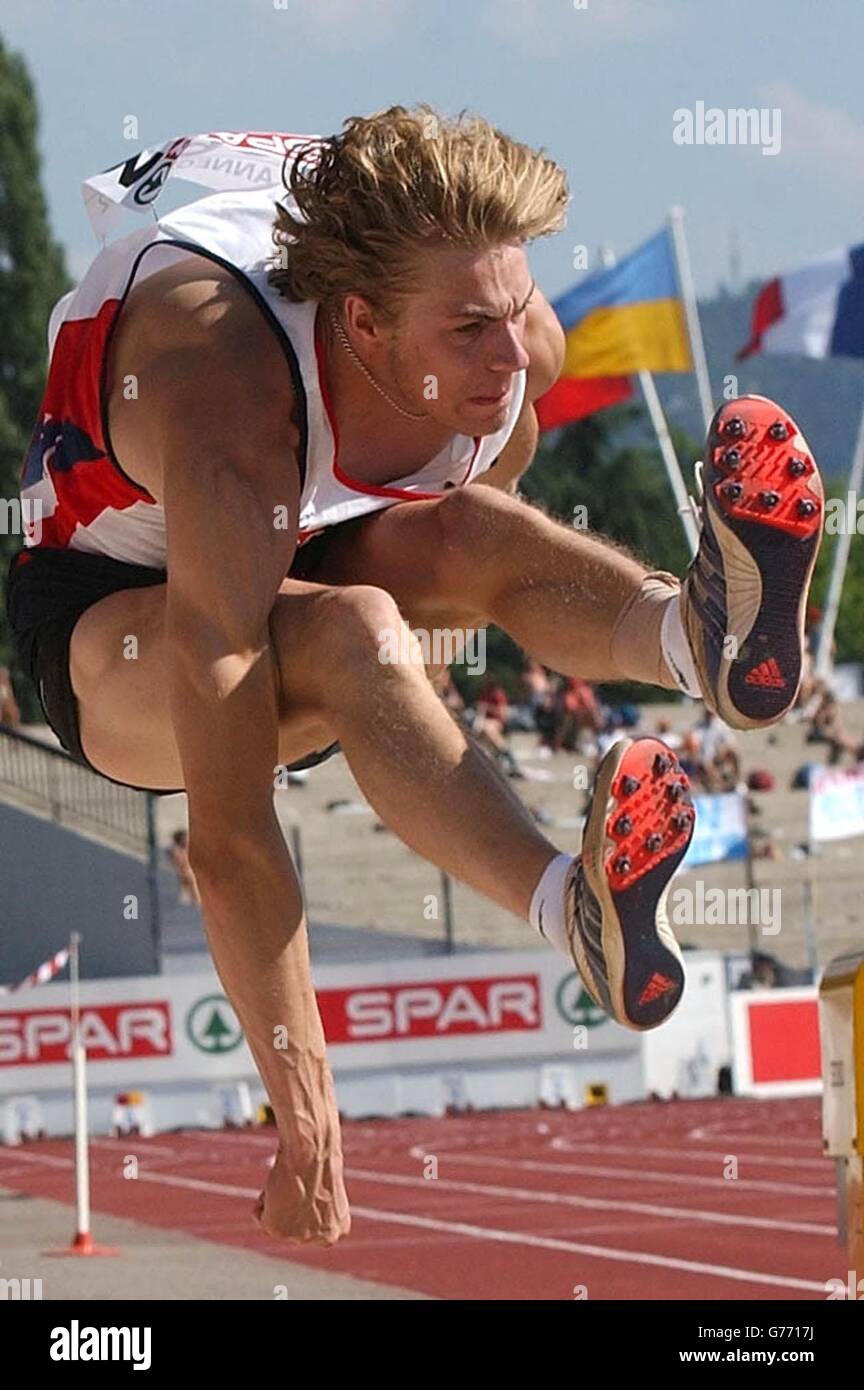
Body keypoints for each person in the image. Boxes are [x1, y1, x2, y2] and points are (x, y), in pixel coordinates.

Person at [5, 105, 824, 1246]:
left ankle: (702, 642)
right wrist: (307, 1127)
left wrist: (461, 451)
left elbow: (476, 460)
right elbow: (230, 834)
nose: (503, 359)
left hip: (304, 523)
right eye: (466, 332)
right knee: (356, 631)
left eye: (511, 314)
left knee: (473, 524)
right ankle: (560, 905)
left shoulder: (511, 344)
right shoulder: (220, 397)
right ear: (362, 326)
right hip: (108, 630)